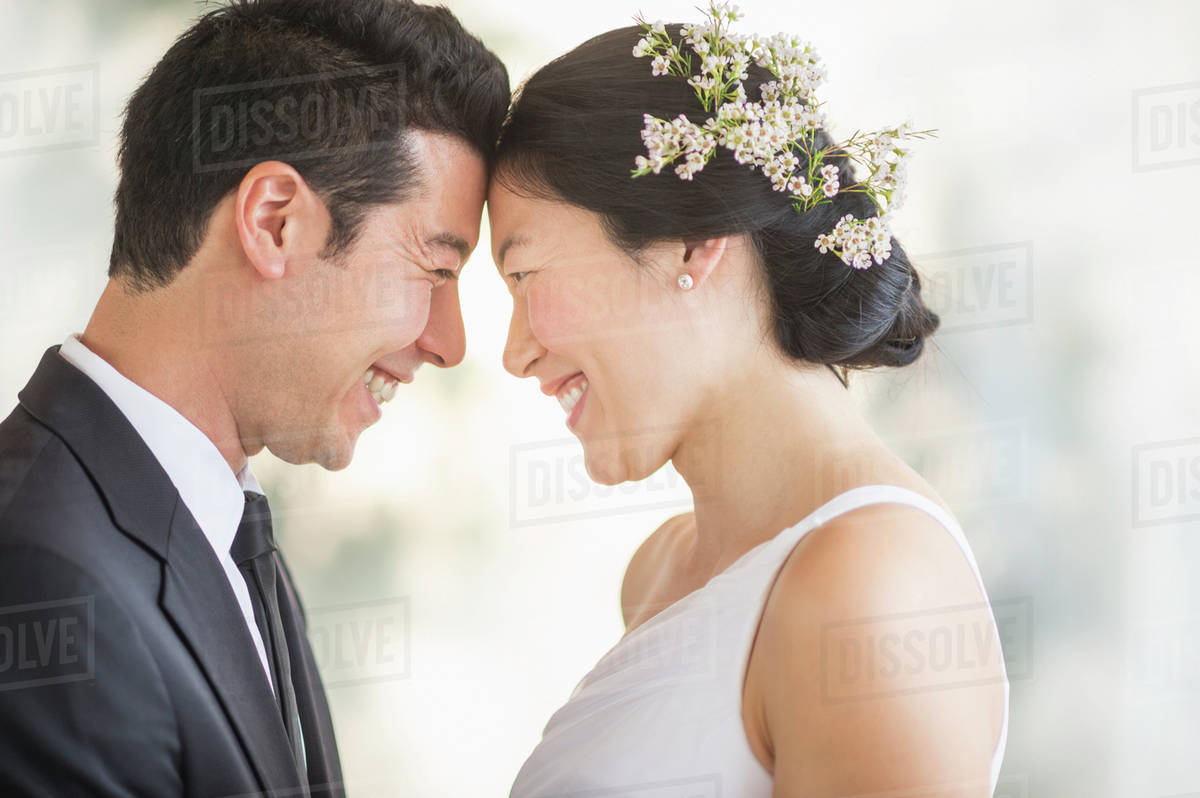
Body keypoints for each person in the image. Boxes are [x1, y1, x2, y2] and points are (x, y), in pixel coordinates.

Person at [490, 5, 1009, 796]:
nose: (515, 352)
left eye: (525, 277)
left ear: (693, 245)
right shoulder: (660, 569)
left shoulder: (872, 590)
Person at [0, 1, 507, 795]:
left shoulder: (224, 526)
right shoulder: (42, 580)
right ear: (274, 222)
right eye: (435, 270)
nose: (450, 342)